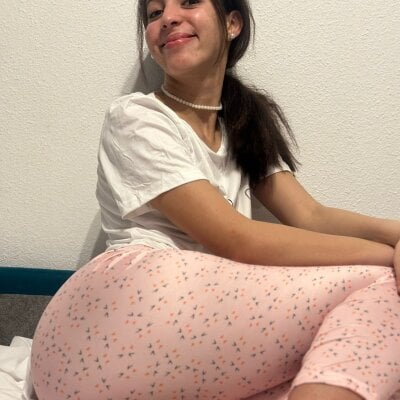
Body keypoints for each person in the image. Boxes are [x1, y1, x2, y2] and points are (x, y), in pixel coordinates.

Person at [31, 1, 400, 399]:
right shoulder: (137, 117)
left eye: (189, 1)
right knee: (382, 285)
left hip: (180, 339)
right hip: (106, 325)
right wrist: (388, 256)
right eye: (154, 13)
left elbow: (310, 215)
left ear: (232, 23)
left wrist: (396, 234)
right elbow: (236, 239)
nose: (168, 18)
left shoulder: (243, 128)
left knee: (355, 349)